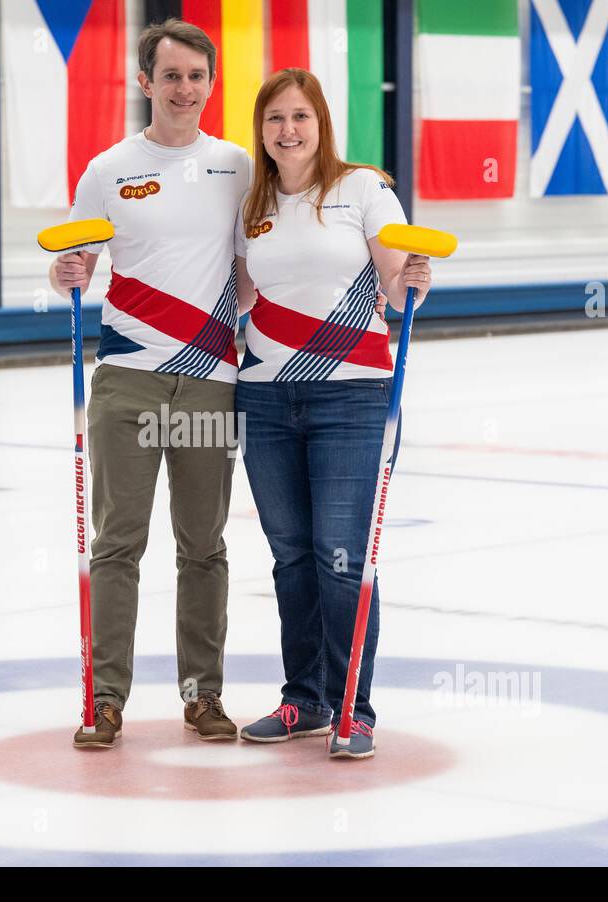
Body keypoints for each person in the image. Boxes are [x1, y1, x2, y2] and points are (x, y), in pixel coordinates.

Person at [48, 19, 250, 747]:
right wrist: (65, 271)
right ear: (145, 82)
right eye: (171, 76)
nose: (185, 89)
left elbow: (262, 262)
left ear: (210, 82)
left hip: (209, 384)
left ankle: (203, 697)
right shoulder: (107, 170)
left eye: (197, 76)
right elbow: (74, 261)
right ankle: (106, 700)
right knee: (118, 546)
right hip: (128, 381)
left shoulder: (238, 166)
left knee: (203, 546)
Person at [232, 69, 432, 759]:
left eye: (300, 117)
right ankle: (305, 700)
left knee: (340, 559)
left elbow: (396, 281)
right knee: (291, 557)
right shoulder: (251, 203)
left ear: (321, 124)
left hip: (351, 396)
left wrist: (410, 284)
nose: (288, 131)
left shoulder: (363, 190)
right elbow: (236, 293)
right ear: (260, 130)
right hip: (262, 398)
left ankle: (355, 707)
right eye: (274, 119)